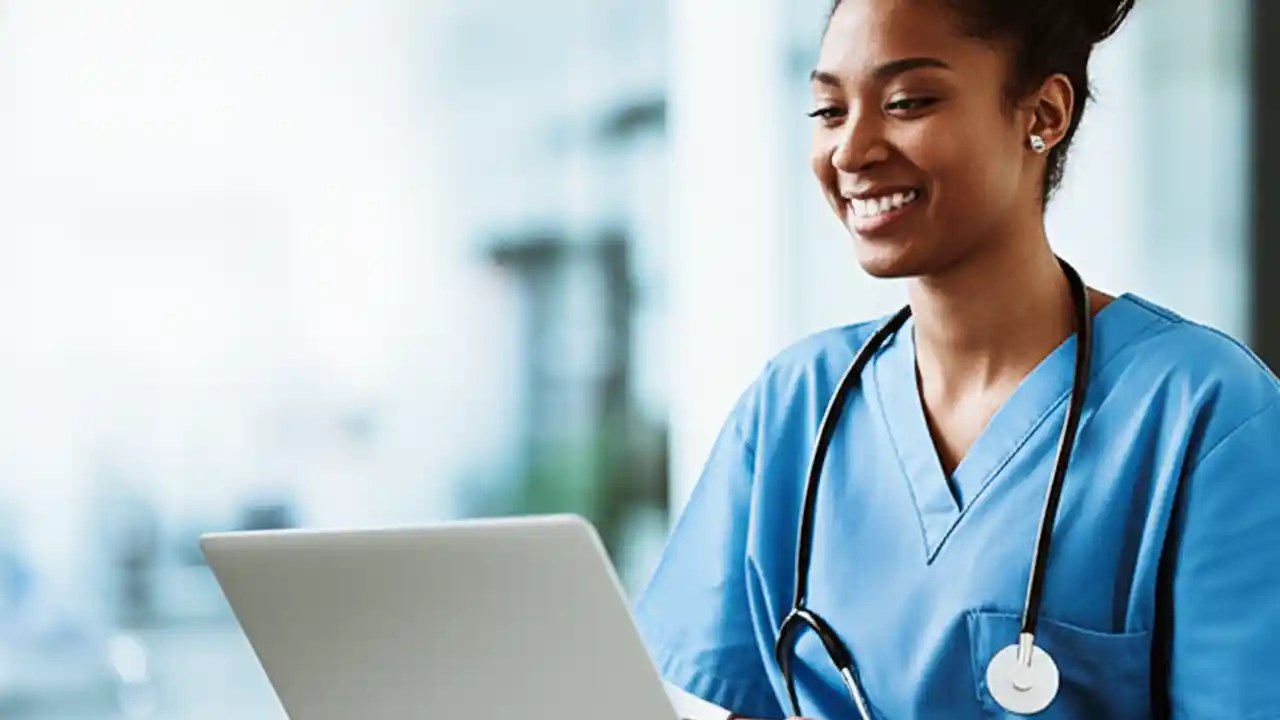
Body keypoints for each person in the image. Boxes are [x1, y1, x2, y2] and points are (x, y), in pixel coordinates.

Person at [635, 0, 1280, 717]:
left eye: (908, 102)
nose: (853, 150)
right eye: (828, 111)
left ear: (1043, 114)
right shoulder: (795, 406)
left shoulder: (1205, 414)